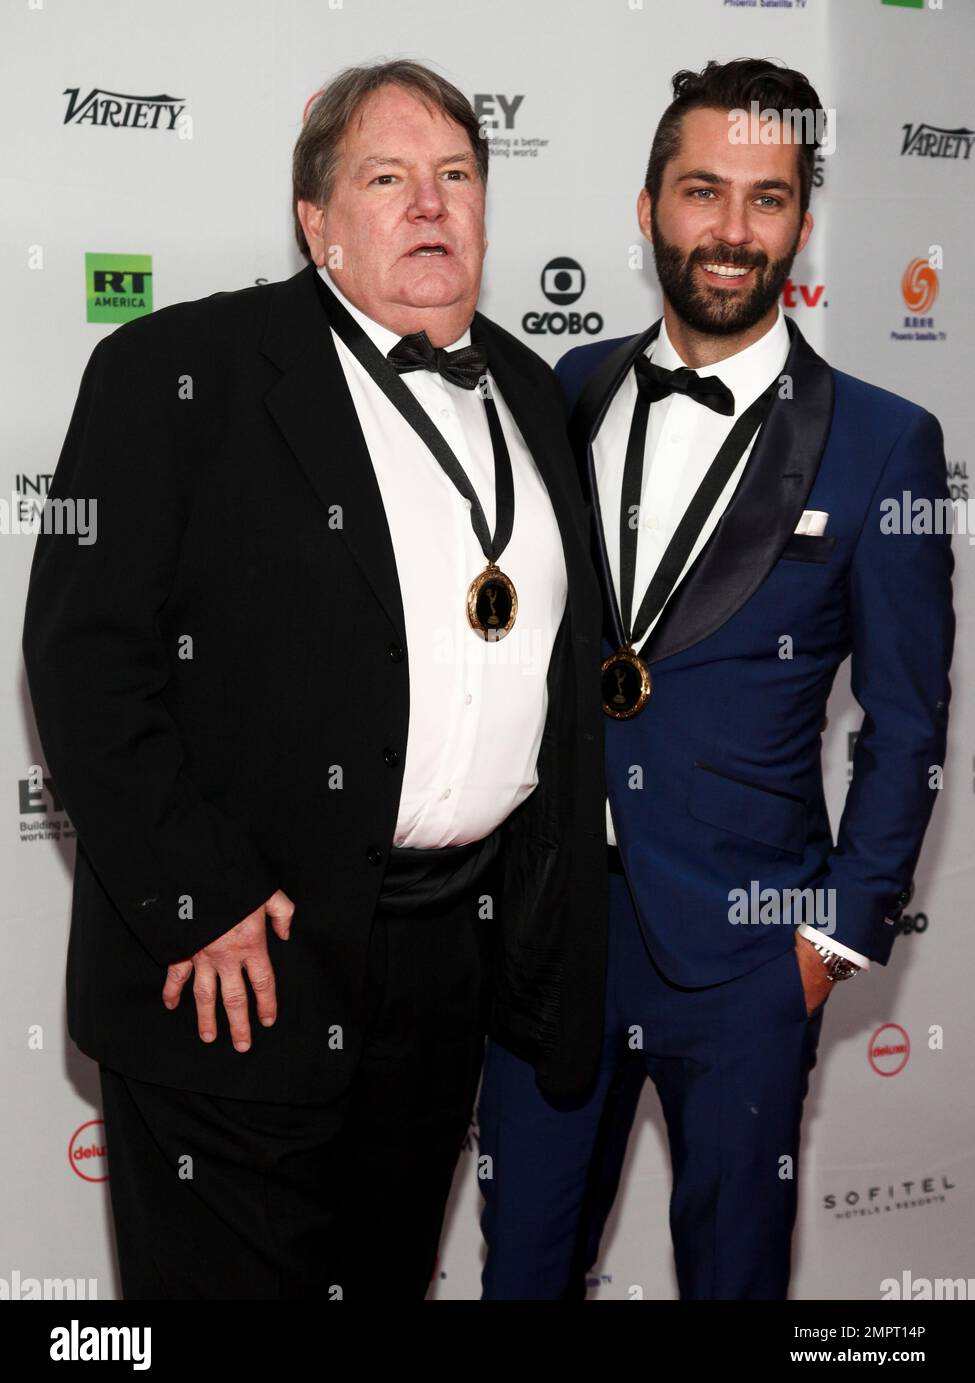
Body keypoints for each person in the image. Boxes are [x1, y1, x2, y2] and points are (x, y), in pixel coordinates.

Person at [22, 59, 606, 1300]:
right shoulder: (176, 373)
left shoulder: (534, 395)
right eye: (386, 178)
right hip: (244, 962)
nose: (430, 204)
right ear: (316, 221)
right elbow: (83, 656)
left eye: (456, 176)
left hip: (451, 960)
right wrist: (197, 895)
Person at [477, 57, 954, 1300]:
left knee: (732, 1282)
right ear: (647, 209)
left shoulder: (884, 438)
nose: (734, 231)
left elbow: (908, 727)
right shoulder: (563, 391)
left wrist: (830, 939)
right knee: (522, 1269)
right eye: (703, 191)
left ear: (801, 219)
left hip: (749, 954)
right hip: (556, 934)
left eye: (769, 197)